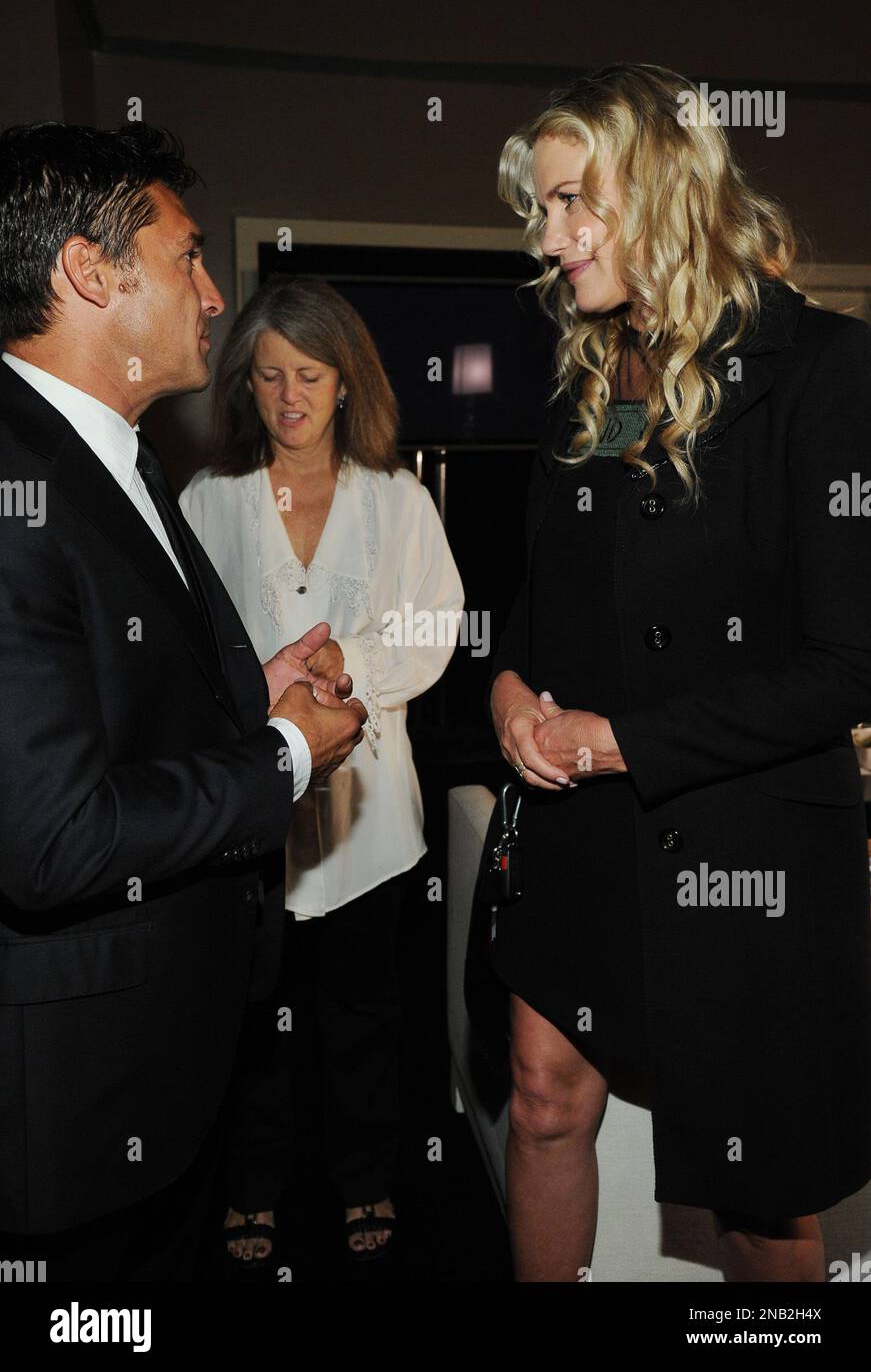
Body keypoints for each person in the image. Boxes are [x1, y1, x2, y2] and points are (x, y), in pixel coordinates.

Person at [466, 62, 871, 1282]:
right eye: (541, 208)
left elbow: (847, 666)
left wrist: (616, 742)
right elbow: (540, 607)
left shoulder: (822, 370)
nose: (552, 236)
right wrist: (505, 685)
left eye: (577, 200)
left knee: (753, 1196)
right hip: (579, 829)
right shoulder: (589, 381)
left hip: (735, 838)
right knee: (542, 1098)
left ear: (665, 189)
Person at [0, 122, 367, 1281]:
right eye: (186, 257)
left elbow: (102, 706)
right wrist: (282, 756)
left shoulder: (115, 454)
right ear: (87, 273)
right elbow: (50, 839)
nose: (214, 296)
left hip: (161, 1060)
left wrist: (246, 689)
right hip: (77, 1103)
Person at [180, 276, 464, 1262]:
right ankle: (251, 1184)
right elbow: (179, 656)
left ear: (348, 384)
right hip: (249, 810)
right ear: (245, 389)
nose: (288, 396)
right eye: (267, 376)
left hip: (368, 815)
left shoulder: (397, 499)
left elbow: (434, 627)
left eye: (308, 374)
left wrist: (357, 663)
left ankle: (363, 1182)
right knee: (247, 1015)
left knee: (362, 1015)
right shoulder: (206, 502)